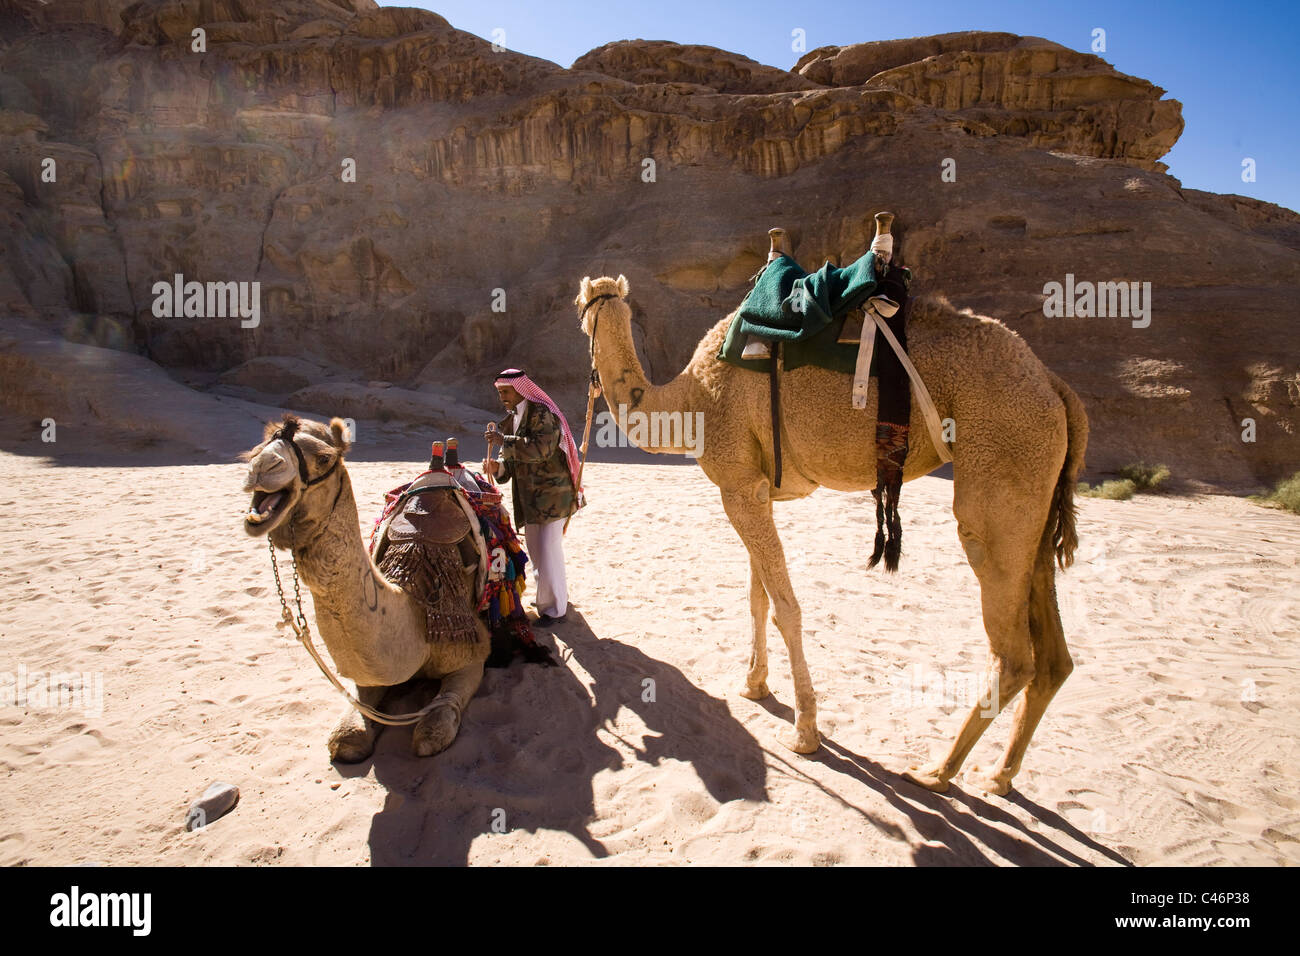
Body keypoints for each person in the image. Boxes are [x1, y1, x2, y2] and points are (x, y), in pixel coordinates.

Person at [482, 368, 579, 626]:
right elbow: (512, 459)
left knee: (549, 549)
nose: (502, 396)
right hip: (530, 498)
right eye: (499, 392)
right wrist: (498, 468)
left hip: (552, 495)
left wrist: (505, 440)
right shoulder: (513, 418)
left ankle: (556, 610)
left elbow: (541, 449)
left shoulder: (542, 413)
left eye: (506, 391)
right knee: (537, 550)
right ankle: (549, 599)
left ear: (520, 389)